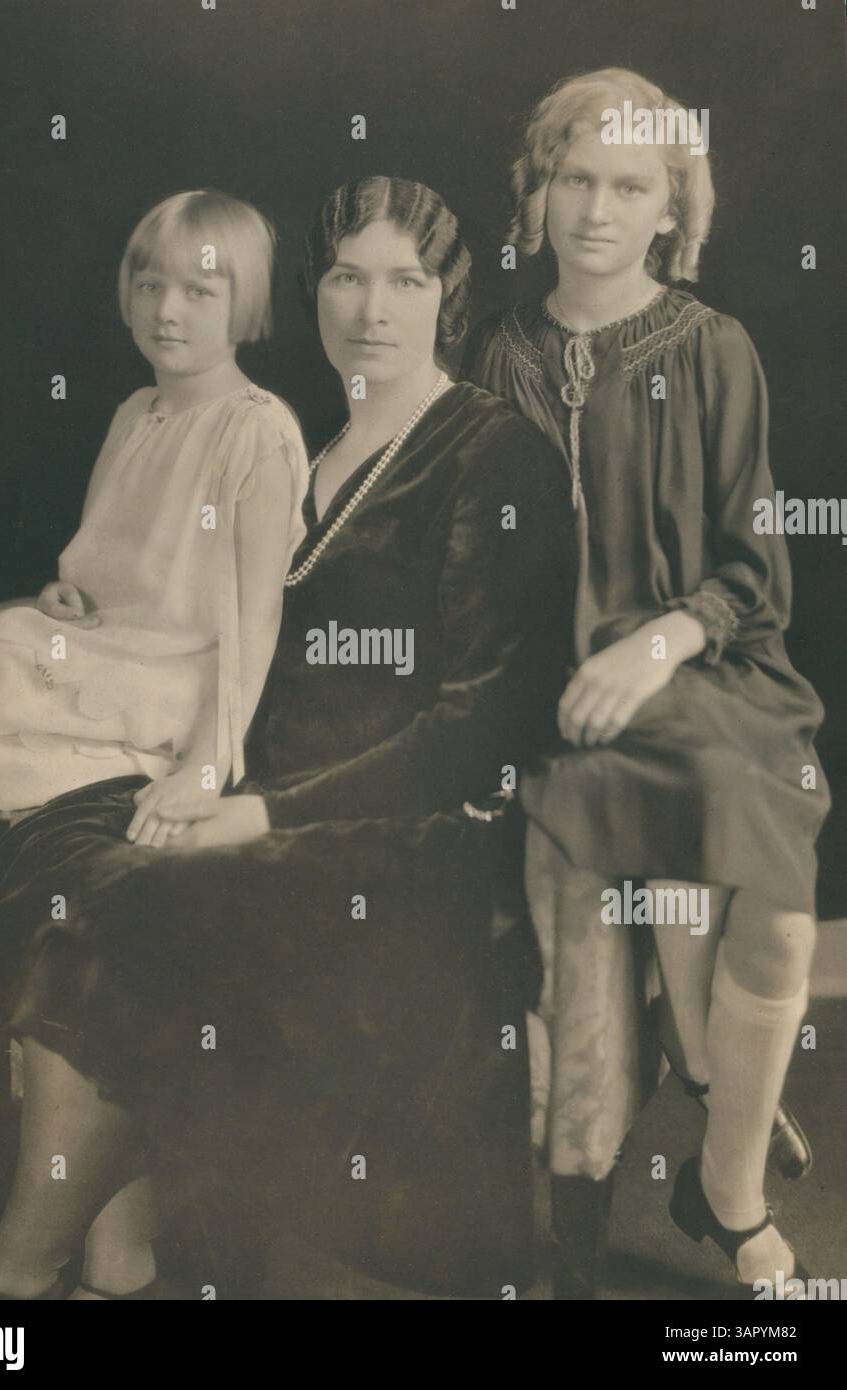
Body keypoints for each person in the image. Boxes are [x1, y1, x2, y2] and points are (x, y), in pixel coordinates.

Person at [0, 175, 577, 1300]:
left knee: (116, 912)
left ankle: (10, 1277)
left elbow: (486, 724)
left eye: (405, 281)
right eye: (344, 275)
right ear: (309, 292)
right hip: (258, 792)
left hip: (402, 842)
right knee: (59, 860)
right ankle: (120, 1250)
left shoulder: (489, 453)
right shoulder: (304, 450)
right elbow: (213, 631)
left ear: (447, 299)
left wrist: (250, 810)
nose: (370, 308)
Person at [461, 68, 830, 1297]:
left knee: (773, 899)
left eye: (632, 186)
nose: (598, 210)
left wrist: (653, 643)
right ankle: (698, 1092)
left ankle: (721, 1184)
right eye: (575, 178)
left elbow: (751, 575)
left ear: (674, 208)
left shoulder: (714, 349)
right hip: (550, 694)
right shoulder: (494, 360)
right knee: (645, 815)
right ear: (537, 190)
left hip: (707, 664)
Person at [0, 190, 309, 1065]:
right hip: (94, 646)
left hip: (166, 685)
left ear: (247, 305)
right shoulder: (134, 414)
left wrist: (211, 761)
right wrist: (65, 595)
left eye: (199, 291)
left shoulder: (258, 430)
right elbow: (114, 569)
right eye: (150, 285)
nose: (167, 310)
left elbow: (254, 617)